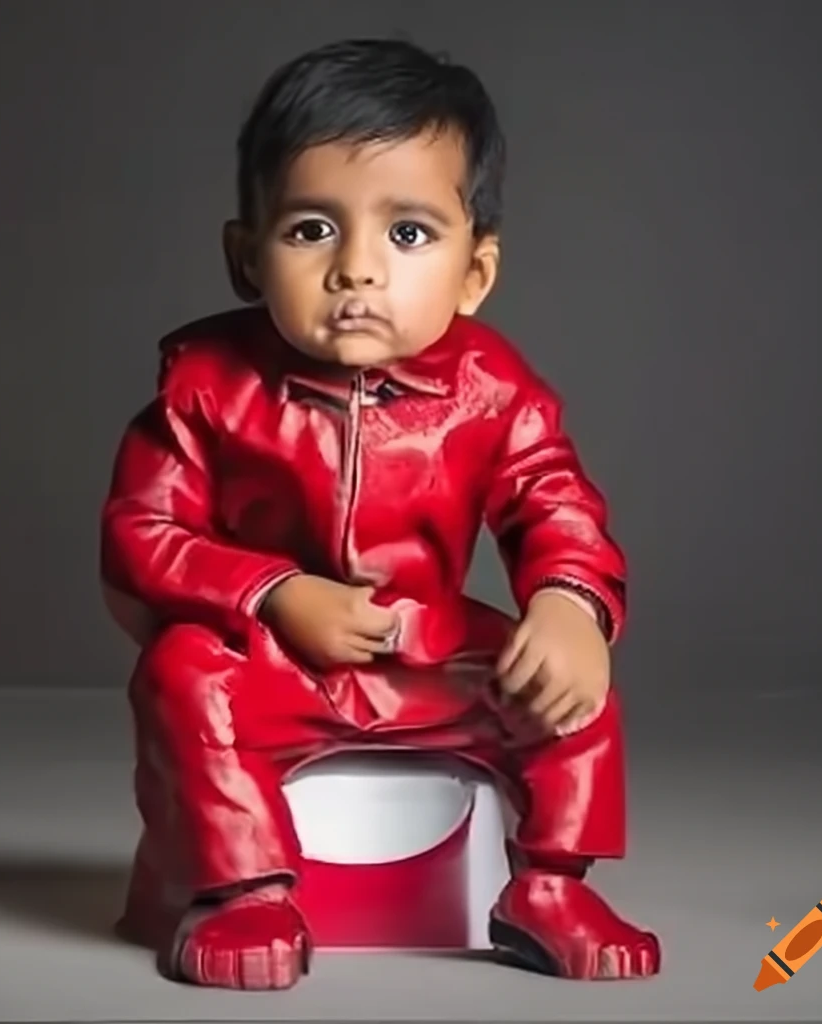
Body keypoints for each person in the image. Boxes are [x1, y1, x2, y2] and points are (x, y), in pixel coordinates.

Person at [100, 37, 661, 990]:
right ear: (245, 258)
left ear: (475, 272)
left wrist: (572, 602)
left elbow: (553, 501)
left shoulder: (493, 391)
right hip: (268, 666)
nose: (356, 269)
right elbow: (141, 538)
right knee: (181, 673)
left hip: (428, 651)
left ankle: (551, 885)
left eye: (407, 234)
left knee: (571, 684)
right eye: (312, 230)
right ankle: (243, 892)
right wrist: (274, 592)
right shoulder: (204, 389)